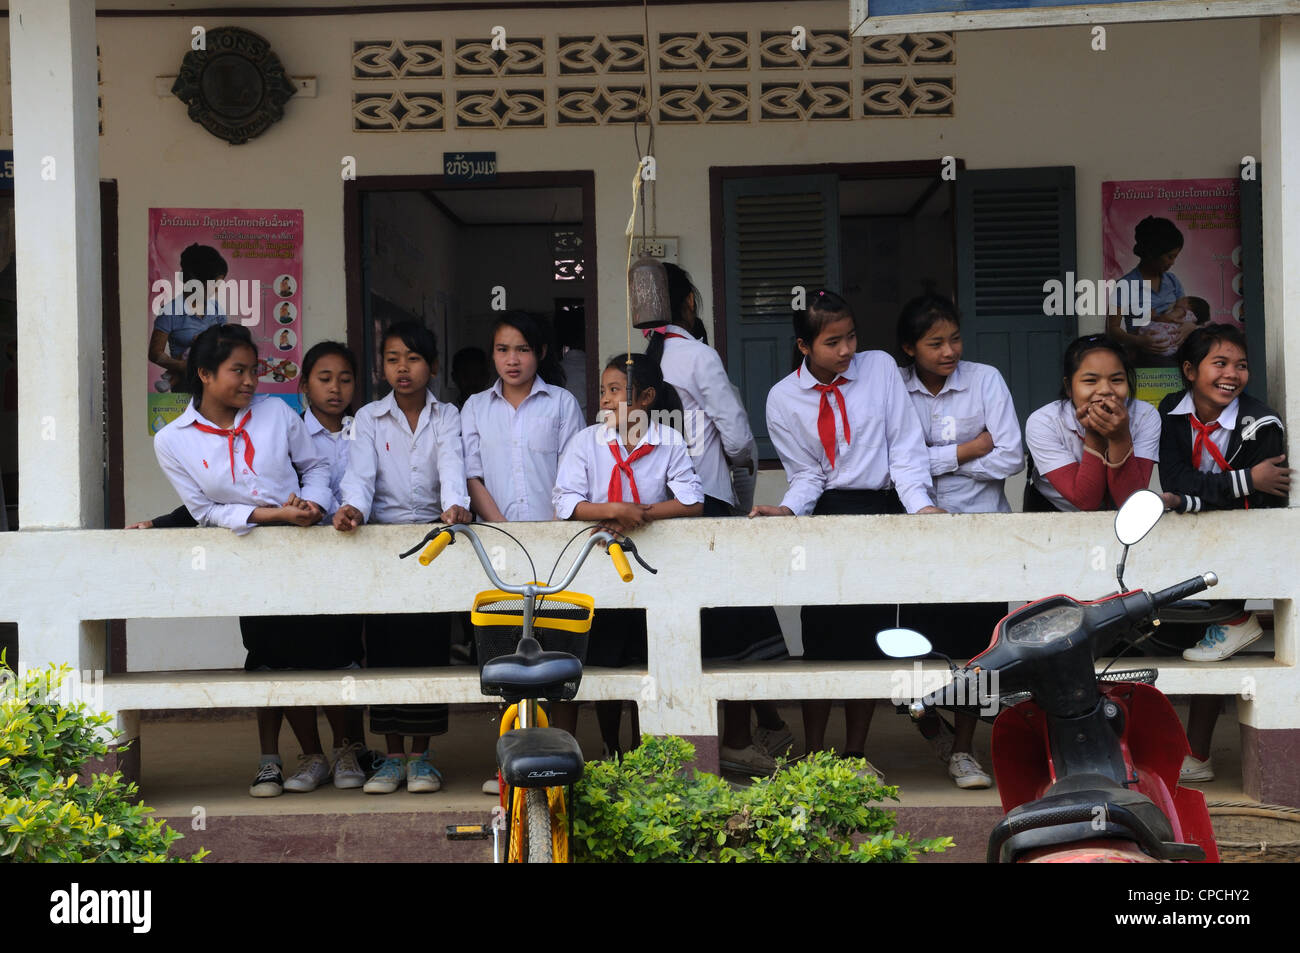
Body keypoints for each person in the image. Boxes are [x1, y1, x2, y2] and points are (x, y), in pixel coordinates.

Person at [751, 290, 941, 775]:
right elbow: (808, 474)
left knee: (873, 639)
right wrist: (788, 512)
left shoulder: (878, 368)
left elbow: (905, 447)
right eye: (833, 342)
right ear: (803, 346)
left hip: (883, 512)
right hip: (827, 517)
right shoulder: (782, 398)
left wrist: (922, 508)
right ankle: (815, 755)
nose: (846, 350)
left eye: (851, 336)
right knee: (823, 641)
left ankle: (856, 754)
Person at [152, 324, 333, 798]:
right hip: (248, 554)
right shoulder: (173, 440)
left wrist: (313, 505)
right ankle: (272, 759)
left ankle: (318, 756)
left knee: (313, 652)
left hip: (304, 548)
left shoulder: (277, 413)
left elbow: (314, 467)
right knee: (266, 656)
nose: (251, 381)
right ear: (205, 374)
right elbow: (204, 511)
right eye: (239, 371)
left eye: (255, 370)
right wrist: (276, 514)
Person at [643, 263, 793, 774]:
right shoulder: (698, 356)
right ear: (687, 304)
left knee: (688, 631)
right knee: (739, 625)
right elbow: (737, 440)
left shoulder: (636, 363)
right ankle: (735, 739)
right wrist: (740, 497)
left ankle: (705, 742)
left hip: (652, 514)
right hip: (707, 506)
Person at [334, 321, 472, 794]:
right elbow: (360, 475)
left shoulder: (447, 415)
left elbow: (453, 463)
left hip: (435, 543)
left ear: (431, 366)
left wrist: (456, 504)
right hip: (382, 546)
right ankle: (392, 758)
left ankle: (423, 758)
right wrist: (352, 508)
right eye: (392, 359)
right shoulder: (369, 418)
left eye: (412, 359)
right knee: (386, 649)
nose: (402, 368)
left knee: (428, 648)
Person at [896, 294, 1024, 789]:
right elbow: (896, 465)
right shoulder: (896, 390)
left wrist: (937, 457)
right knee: (920, 643)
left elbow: (1011, 455)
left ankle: (965, 751)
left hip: (981, 529)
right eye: (934, 343)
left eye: (954, 339)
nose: (949, 351)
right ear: (910, 347)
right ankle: (928, 721)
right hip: (921, 531)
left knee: (978, 646)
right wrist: (971, 448)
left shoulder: (985, 379)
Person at [1156, 324, 1290, 783]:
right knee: (1188, 638)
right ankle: (1193, 755)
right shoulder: (1170, 412)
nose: (1233, 374)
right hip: (1189, 544)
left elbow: (1263, 503)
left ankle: (1196, 754)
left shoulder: (1263, 425)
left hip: (1241, 546)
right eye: (1220, 363)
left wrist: (1215, 495)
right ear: (1190, 371)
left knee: (1211, 632)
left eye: (1242, 365)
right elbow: (1175, 482)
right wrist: (1241, 481)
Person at [553, 352, 704, 757]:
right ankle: (608, 745)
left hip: (648, 572)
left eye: (616, 391)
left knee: (642, 661)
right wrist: (612, 511)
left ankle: (640, 749)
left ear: (646, 397)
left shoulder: (668, 441)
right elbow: (566, 502)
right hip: (597, 572)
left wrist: (640, 516)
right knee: (604, 661)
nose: (604, 400)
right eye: (603, 391)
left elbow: (691, 502)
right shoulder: (587, 442)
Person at [461, 312, 583, 792]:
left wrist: (553, 533)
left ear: (542, 353)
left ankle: (554, 755)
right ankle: (507, 764)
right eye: (502, 350)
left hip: (556, 540)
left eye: (523, 350)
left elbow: (575, 470)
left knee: (552, 644)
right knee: (506, 649)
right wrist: (503, 529)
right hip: (498, 540)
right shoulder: (474, 406)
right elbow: (472, 475)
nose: (512, 360)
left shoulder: (562, 404)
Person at [297, 341, 378, 789]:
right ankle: (312, 754)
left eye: (345, 379)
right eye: (324, 379)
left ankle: (349, 748)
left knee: (348, 651)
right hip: (302, 559)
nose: (335, 388)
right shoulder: (290, 433)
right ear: (304, 383)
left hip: (352, 553)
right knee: (305, 653)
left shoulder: (362, 429)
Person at [1024, 335, 1160, 512]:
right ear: (1068, 387)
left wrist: (1120, 438)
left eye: (1117, 380)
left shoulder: (1145, 416)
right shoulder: (1044, 422)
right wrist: (1095, 435)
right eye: (1090, 381)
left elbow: (1130, 501)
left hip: (1120, 518)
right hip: (1054, 514)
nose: (1105, 390)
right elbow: (1086, 501)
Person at [1106, 216, 1196, 366]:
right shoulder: (1125, 285)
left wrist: (1190, 328)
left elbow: (1184, 310)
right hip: (1149, 356)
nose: (1173, 262)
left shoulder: (1172, 281)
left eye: (1175, 257)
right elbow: (1113, 329)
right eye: (1169, 257)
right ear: (1152, 253)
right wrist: (1140, 341)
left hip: (1179, 349)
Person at [149, 243, 228, 392]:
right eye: (214, 284)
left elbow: (227, 340)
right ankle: (170, 381)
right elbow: (155, 353)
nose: (217, 289)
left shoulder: (216, 309)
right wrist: (183, 366)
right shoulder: (171, 312)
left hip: (215, 387)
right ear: (197, 282)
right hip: (186, 389)